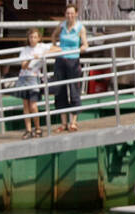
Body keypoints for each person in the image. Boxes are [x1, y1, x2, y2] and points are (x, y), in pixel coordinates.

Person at [51, 3, 88, 133]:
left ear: (76, 14)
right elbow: (54, 36)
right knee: (60, 91)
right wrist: (56, 46)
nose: (70, 15)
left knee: (74, 90)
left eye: (72, 13)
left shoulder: (80, 27)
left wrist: (80, 48)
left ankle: (73, 122)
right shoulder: (61, 25)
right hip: (60, 60)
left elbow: (85, 44)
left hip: (73, 61)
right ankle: (63, 123)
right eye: (67, 13)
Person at [16, 28, 55, 138]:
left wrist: (44, 54)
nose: (32, 39)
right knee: (26, 105)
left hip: (34, 77)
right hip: (23, 77)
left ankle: (37, 128)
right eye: (31, 37)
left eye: (35, 37)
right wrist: (30, 59)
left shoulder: (42, 47)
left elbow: (57, 49)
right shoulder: (25, 50)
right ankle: (28, 130)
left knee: (33, 105)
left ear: (39, 38)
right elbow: (23, 65)